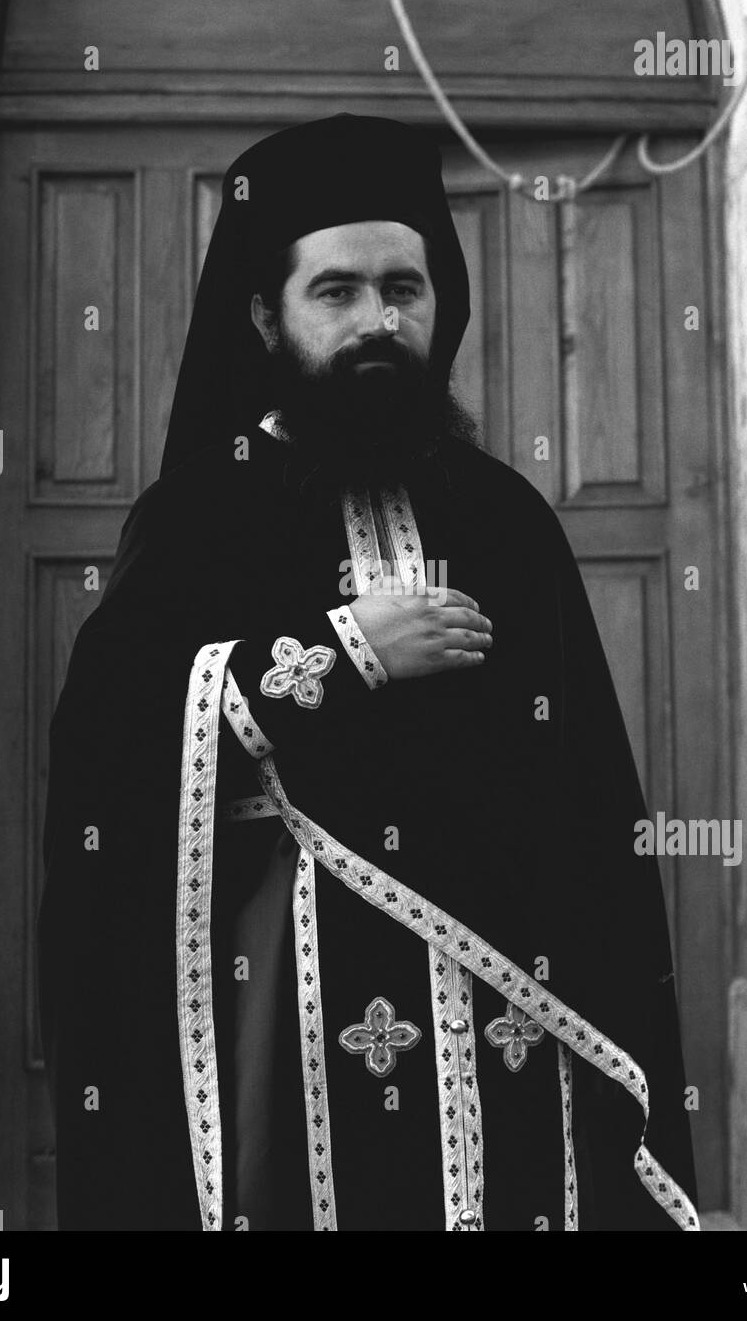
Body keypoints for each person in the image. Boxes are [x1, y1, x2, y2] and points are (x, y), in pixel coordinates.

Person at [38, 112, 699, 1232]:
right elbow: (110, 745)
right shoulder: (201, 513)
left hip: (504, 1006)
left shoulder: (504, 518)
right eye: (335, 292)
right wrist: (340, 658)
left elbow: (584, 792)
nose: (377, 320)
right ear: (266, 314)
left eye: (404, 287)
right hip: (280, 1005)